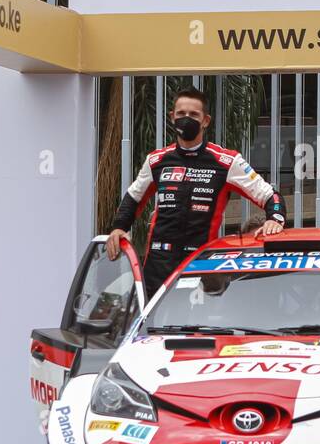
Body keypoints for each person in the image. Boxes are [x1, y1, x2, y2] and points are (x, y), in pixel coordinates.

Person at [105, 87, 285, 298]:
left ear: (205, 120)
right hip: (158, 266)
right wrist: (119, 227)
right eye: (181, 114)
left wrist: (275, 218)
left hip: (200, 264)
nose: (186, 119)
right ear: (172, 117)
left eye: (193, 114)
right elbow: (133, 197)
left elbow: (269, 194)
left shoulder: (226, 161)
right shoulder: (156, 160)